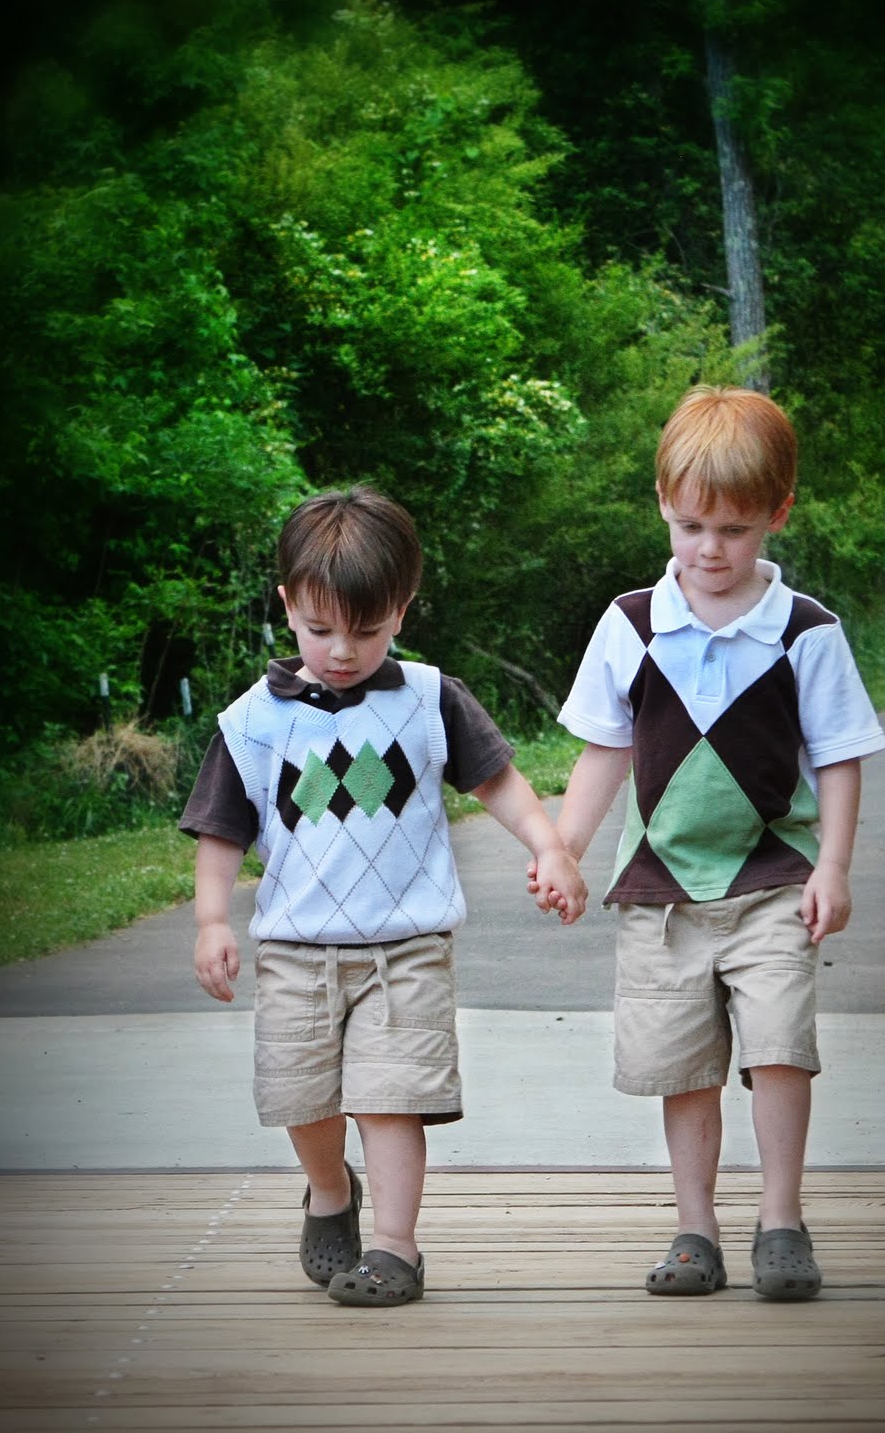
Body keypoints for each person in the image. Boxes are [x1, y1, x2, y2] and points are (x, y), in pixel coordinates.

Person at [181, 485, 586, 1308]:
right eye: (321, 629)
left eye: (366, 631)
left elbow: (497, 782)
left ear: (400, 609)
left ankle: (396, 1249)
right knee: (304, 1095)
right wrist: (213, 919)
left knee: (391, 1094)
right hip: (296, 946)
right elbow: (222, 830)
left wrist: (549, 845)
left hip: (407, 945)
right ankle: (330, 1192)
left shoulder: (431, 700)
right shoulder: (252, 723)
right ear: (289, 605)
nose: (340, 651)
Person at [545, 385, 885, 1301]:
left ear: (777, 514)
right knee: (683, 1065)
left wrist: (836, 868)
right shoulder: (630, 624)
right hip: (661, 893)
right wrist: (565, 849)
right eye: (691, 525)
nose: (709, 550)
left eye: (733, 529)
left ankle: (781, 1220)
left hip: (775, 880)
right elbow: (605, 749)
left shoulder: (806, 633)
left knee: (779, 1047)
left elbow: (842, 756)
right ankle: (694, 1228)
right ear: (662, 501)